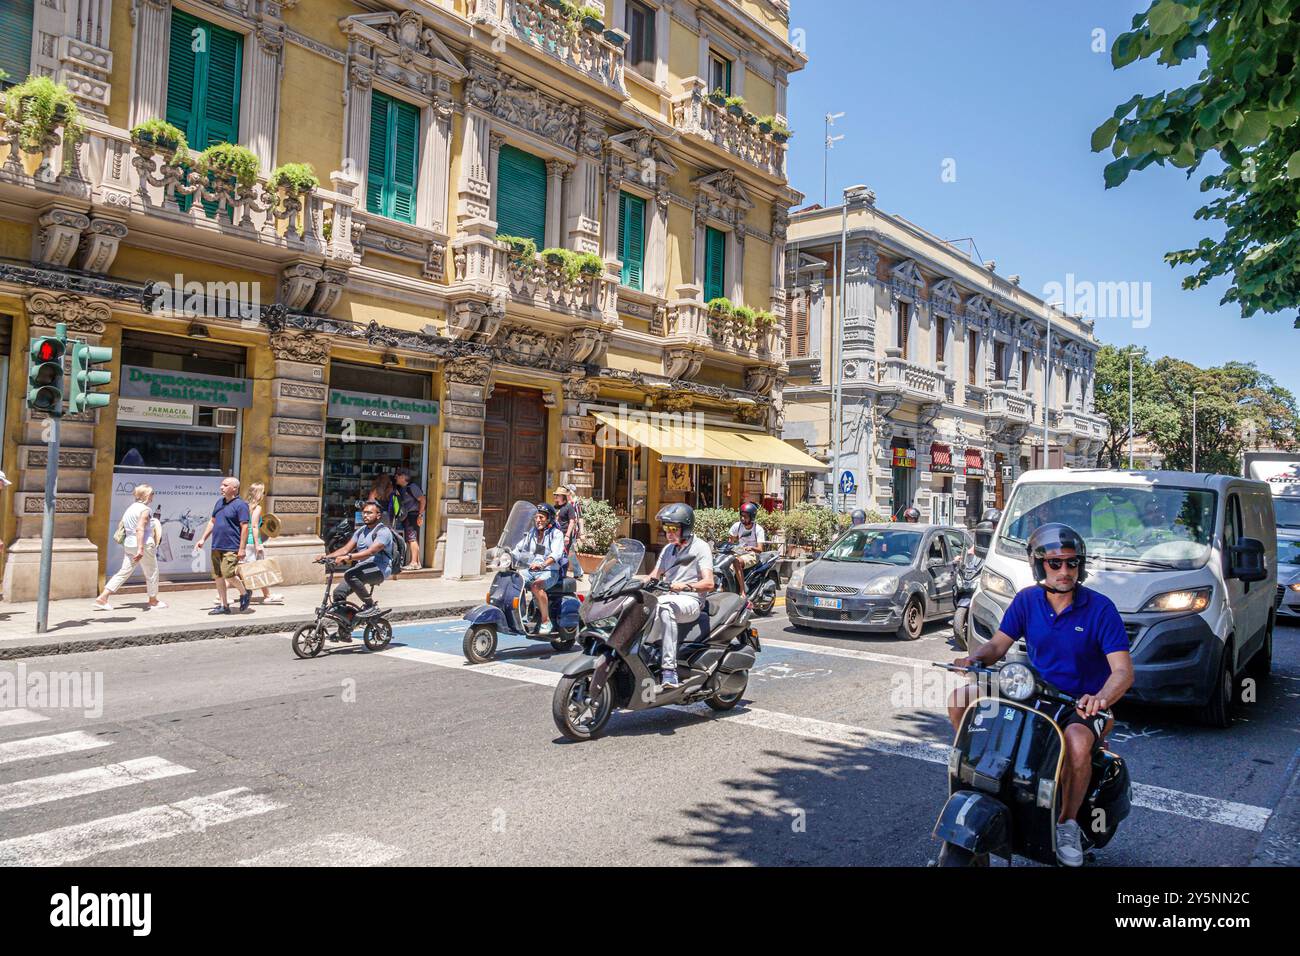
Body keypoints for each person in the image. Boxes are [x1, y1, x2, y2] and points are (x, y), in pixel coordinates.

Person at [945, 523, 1133, 867]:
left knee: (1076, 742)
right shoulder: (1027, 600)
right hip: (1035, 692)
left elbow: (1122, 671)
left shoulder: (1100, 608)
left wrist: (1100, 698)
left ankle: (1067, 824)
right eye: (1055, 563)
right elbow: (998, 645)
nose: (1065, 571)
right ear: (1038, 565)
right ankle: (976, 785)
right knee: (963, 699)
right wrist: (975, 658)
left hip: (1082, 703)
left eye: (1072, 563)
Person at [647, 503, 714, 691]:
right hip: (669, 596)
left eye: (673, 529)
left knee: (664, 606)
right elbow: (654, 575)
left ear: (686, 528)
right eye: (666, 528)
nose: (669, 533)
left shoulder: (700, 548)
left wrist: (685, 585)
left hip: (691, 600)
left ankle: (669, 670)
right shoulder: (668, 549)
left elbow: (709, 583)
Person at [95, 484, 166, 611]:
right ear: (147, 495)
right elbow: (140, 528)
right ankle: (153, 601)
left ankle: (103, 597)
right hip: (143, 545)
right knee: (152, 572)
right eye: (152, 494)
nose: (153, 497)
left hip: (129, 544)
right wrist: (140, 548)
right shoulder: (145, 510)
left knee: (124, 571)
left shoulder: (130, 508)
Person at [319, 500, 392, 619]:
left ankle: (371, 606)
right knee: (338, 594)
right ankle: (346, 627)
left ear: (378, 515)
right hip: (362, 569)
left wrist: (348, 557)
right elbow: (345, 549)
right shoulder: (361, 531)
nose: (365, 515)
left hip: (379, 569)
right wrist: (326, 557)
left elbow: (371, 552)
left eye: (369, 513)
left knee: (350, 574)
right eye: (364, 513)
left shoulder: (383, 531)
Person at [192, 476, 251, 615]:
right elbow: (212, 522)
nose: (221, 487)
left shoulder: (241, 505)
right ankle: (224, 606)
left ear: (234, 489)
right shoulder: (219, 503)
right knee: (218, 576)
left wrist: (242, 548)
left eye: (225, 485)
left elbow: (245, 527)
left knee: (228, 574)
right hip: (216, 545)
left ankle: (244, 593)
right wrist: (202, 539)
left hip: (232, 546)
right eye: (222, 485)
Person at [511, 503, 566, 635]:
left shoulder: (556, 534)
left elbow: (556, 554)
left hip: (550, 571)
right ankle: (521, 613)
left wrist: (542, 565)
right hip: (532, 570)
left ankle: (546, 621)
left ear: (549, 519)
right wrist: (505, 556)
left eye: (541, 517)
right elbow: (519, 548)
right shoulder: (532, 533)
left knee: (536, 586)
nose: (538, 520)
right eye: (536, 517)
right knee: (515, 580)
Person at [243, 483, 285, 605]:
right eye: (264, 492)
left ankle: (247, 592)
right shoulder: (257, 507)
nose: (264, 495)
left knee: (244, 569)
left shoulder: (244, 506)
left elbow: (250, 524)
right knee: (259, 569)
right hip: (252, 542)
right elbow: (254, 526)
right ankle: (267, 595)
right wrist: (257, 545)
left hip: (244, 542)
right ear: (259, 494)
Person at [727, 501, 766, 600]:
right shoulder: (737, 526)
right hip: (739, 552)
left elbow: (760, 549)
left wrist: (751, 548)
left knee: (736, 562)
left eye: (746, 516)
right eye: (741, 515)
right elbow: (730, 542)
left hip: (753, 554)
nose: (743, 518)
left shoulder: (758, 529)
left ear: (752, 517)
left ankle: (742, 591)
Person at [394, 468, 426, 570]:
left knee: (412, 539)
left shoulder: (412, 487)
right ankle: (417, 562)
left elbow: (422, 500)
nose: (395, 477)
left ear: (403, 477)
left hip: (413, 515)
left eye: (397, 475)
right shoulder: (402, 489)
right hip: (408, 516)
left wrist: (420, 515)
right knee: (411, 539)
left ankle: (414, 563)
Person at [553, 486, 579, 560]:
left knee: (563, 556)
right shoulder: (555, 507)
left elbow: (572, 521)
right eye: (555, 495)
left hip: (564, 535)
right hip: (555, 534)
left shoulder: (569, 506)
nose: (556, 496)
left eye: (558, 495)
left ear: (563, 496)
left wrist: (567, 536)